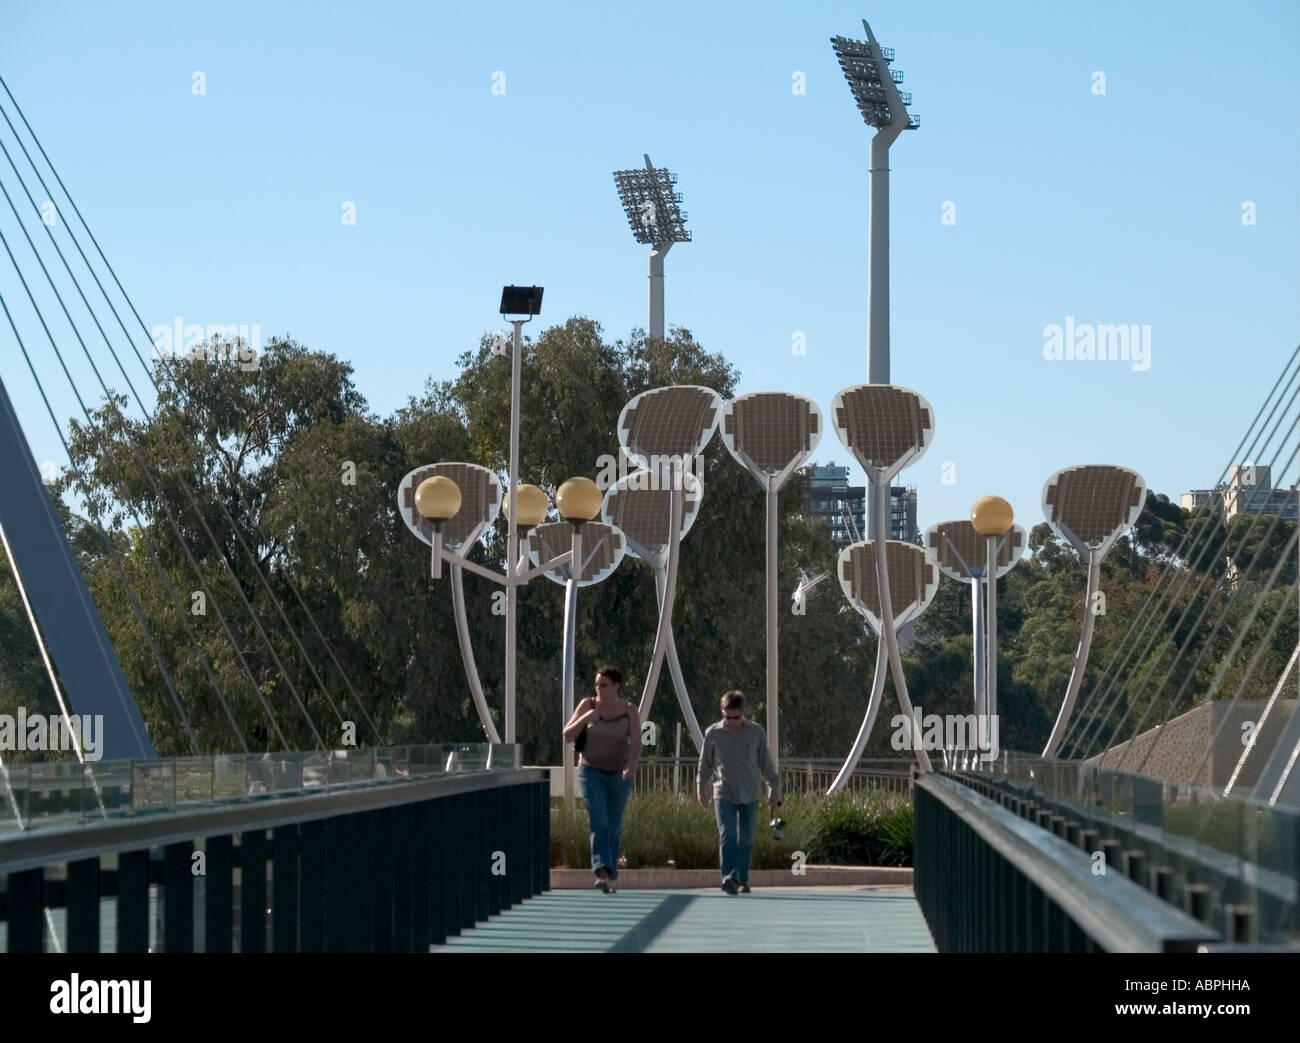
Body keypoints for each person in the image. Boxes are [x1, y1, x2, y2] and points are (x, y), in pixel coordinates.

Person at [562, 666, 640, 893]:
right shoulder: (589, 705)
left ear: (617, 687)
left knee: (614, 826)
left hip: (619, 774)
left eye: (604, 685)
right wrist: (586, 718)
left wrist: (631, 766)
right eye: (597, 684)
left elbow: (635, 742)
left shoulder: (629, 710)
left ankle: (610, 870)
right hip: (590, 771)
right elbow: (567, 735)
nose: (599, 689)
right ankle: (601, 870)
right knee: (598, 820)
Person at [697, 691, 782, 895]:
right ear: (722, 712)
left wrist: (775, 789)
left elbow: (766, 764)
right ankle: (729, 878)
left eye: (736, 717)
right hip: (723, 792)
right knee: (728, 834)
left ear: (743, 713)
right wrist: (701, 789)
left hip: (750, 794)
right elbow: (705, 765)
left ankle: (743, 878)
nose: (732, 722)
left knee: (746, 839)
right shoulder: (713, 733)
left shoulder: (755, 732)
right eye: (728, 717)